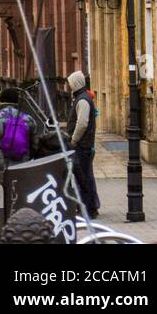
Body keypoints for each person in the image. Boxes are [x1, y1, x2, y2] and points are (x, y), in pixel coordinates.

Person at [66, 70, 101, 219]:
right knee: (86, 177)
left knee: (83, 178)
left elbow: (82, 123)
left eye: (70, 83)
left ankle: (88, 209)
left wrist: (73, 140)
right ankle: (90, 206)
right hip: (84, 145)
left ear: (75, 83)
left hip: (82, 146)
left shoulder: (82, 100)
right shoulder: (83, 98)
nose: (69, 86)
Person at [0, 87, 34, 170]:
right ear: (17, 101)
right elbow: (33, 141)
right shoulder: (28, 119)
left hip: (1, 164)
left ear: (1, 100)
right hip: (23, 164)